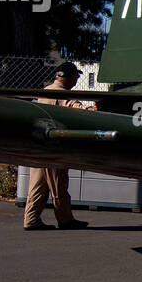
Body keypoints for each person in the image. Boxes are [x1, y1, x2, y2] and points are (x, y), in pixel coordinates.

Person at [23, 61, 90, 231]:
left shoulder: (44, 92)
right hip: (54, 147)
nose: (76, 80)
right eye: (76, 76)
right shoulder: (64, 95)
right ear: (69, 77)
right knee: (58, 185)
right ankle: (66, 219)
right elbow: (77, 110)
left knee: (37, 186)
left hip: (38, 145)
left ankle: (31, 219)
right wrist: (92, 108)